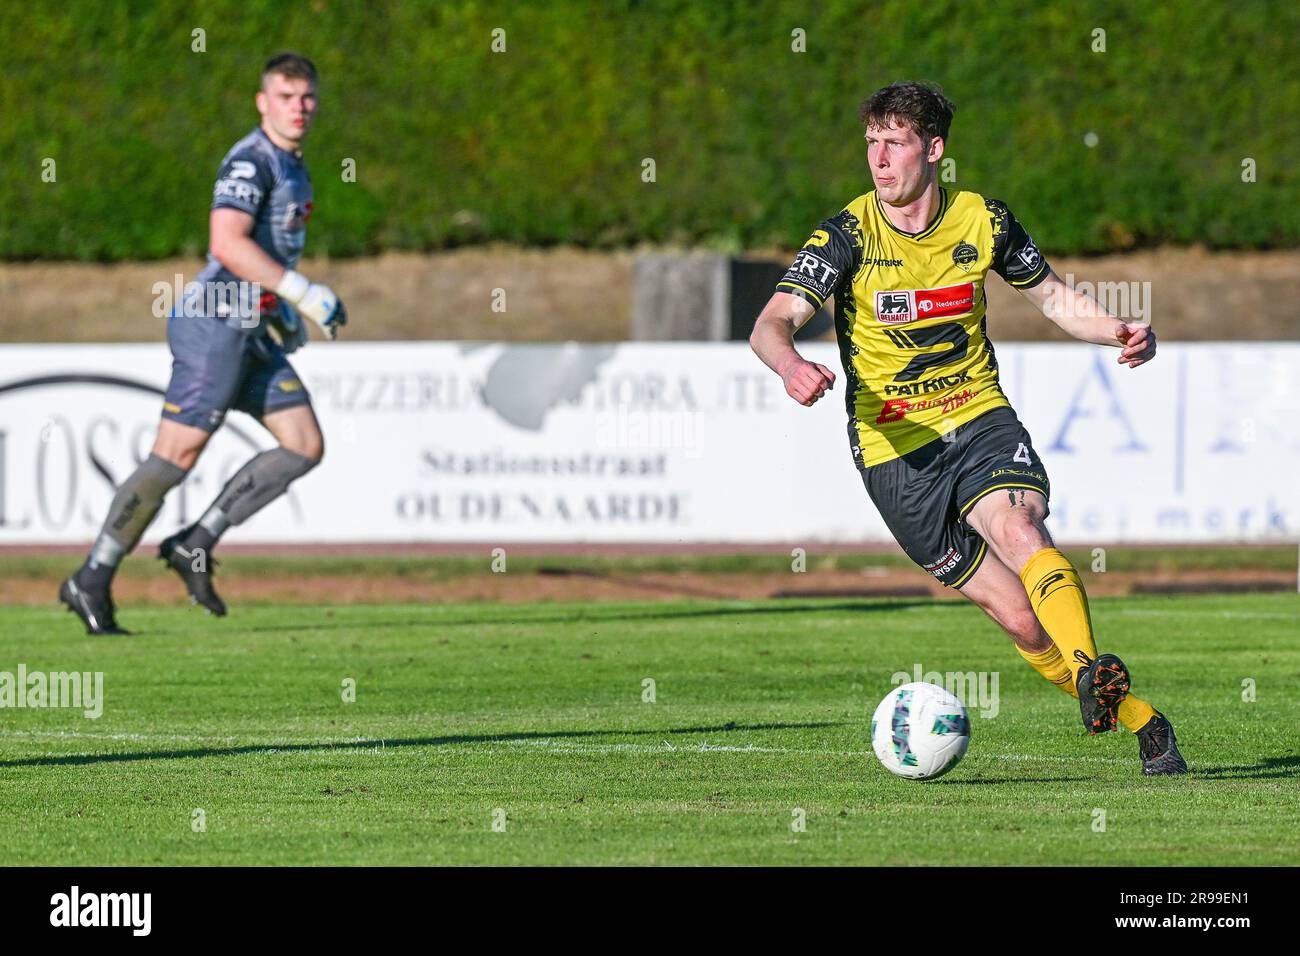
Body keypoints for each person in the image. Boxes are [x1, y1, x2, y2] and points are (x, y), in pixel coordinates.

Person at [749, 81, 1186, 775]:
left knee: (1020, 530)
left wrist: (1117, 331)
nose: (879, 159)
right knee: (1019, 620)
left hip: (977, 416)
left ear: (934, 149)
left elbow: (1052, 299)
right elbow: (770, 322)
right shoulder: (846, 235)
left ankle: (1096, 676)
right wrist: (787, 363)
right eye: (872, 143)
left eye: (894, 142)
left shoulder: (984, 219)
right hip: (894, 452)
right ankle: (1143, 719)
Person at [60, 52, 346, 634]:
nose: (299, 107)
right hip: (214, 323)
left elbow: (267, 251)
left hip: (251, 328)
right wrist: (300, 291)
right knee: (177, 457)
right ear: (263, 102)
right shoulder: (252, 160)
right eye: (286, 97)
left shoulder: (297, 167)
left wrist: (278, 311)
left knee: (303, 444)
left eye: (307, 97)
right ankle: (92, 575)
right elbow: (228, 242)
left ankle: (196, 541)